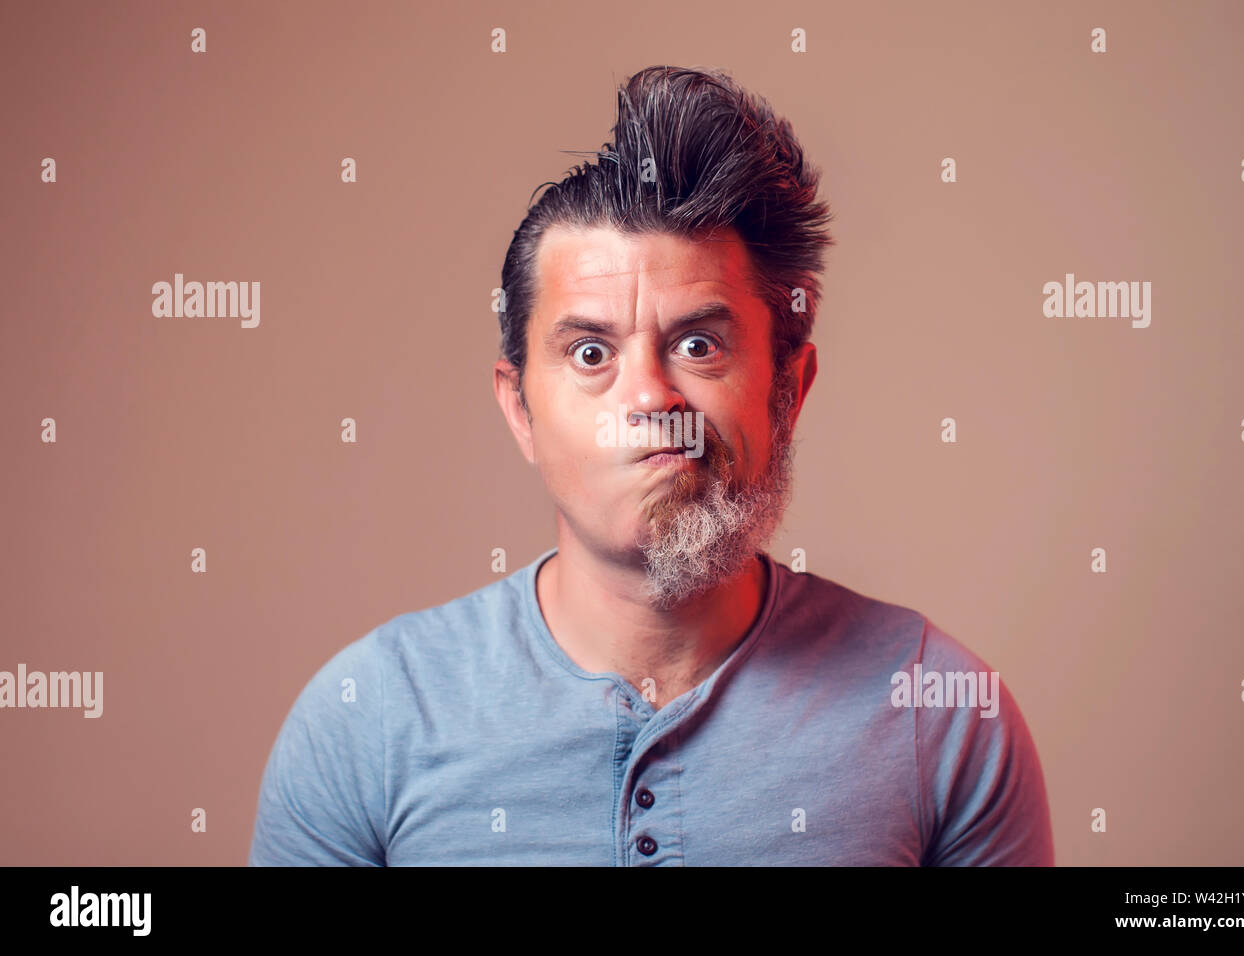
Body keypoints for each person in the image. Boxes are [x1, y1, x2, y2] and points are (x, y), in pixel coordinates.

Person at [249, 64, 1053, 866]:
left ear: (788, 391)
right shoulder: (367, 719)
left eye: (698, 345)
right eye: (591, 352)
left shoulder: (941, 715)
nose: (649, 397)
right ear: (519, 409)